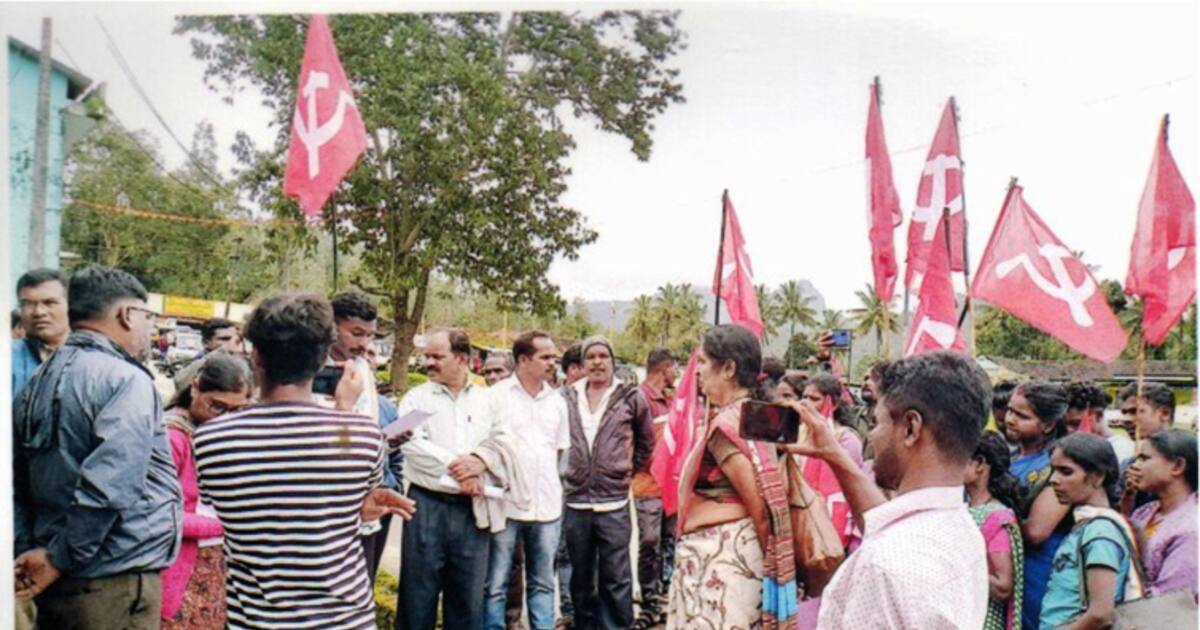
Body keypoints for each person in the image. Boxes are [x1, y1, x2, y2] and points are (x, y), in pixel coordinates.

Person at [193, 293, 414, 629]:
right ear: (324, 355)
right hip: (344, 621)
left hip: (256, 620)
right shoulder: (361, 435)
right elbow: (343, 468)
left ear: (256, 356)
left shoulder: (211, 438)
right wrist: (344, 410)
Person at [13, 265, 182, 629]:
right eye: (147, 316)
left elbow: (17, 483)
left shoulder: (36, 381)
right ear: (127, 314)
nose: (148, 328)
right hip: (112, 582)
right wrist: (58, 557)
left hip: (59, 577)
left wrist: (35, 551)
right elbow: (110, 486)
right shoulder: (125, 380)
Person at [783, 350, 990, 629]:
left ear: (910, 428)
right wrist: (834, 456)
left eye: (876, 423)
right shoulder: (962, 529)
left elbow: (891, 544)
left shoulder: (883, 566)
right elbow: (886, 524)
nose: (872, 436)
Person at [667, 325, 796, 630]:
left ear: (727, 368)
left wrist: (774, 567)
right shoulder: (759, 415)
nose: (696, 371)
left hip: (725, 560)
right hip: (733, 554)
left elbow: (760, 502)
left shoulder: (727, 425)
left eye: (702, 361)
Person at [397, 327, 506, 630]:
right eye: (427, 356)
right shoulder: (416, 399)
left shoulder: (488, 401)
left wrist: (480, 461)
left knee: (468, 601)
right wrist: (458, 467)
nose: (429, 362)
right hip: (425, 507)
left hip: (472, 512)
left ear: (461, 359)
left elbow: (503, 440)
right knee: (416, 599)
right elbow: (406, 442)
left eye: (437, 356)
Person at [561, 336, 654, 630]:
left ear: (613, 362)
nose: (597, 362)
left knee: (616, 577)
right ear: (582, 363)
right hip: (575, 501)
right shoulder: (566, 396)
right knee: (581, 576)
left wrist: (621, 470)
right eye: (591, 357)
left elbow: (646, 442)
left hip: (613, 502)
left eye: (603, 356)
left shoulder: (629, 396)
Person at [483, 331, 570, 630]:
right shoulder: (494, 398)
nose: (552, 363)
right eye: (545, 357)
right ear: (523, 360)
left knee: (543, 582)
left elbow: (560, 452)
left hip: (546, 508)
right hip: (504, 506)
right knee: (496, 582)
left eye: (553, 357)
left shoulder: (557, 402)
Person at [160, 354, 253, 628]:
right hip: (176, 572)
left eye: (236, 411)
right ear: (196, 387)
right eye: (217, 407)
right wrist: (227, 524)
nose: (225, 419)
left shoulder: (212, 436)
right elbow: (161, 517)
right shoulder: (172, 437)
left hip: (210, 572)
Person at [1039, 433, 1145, 630]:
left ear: (1097, 477)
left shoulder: (1100, 532)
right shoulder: (1086, 526)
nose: (1053, 480)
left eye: (1065, 471)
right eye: (1053, 470)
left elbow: (1100, 614)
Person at [326, 292, 390, 583]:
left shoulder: (363, 366)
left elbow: (367, 421)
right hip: (328, 497)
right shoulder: (312, 368)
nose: (364, 343)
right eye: (356, 333)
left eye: (369, 335)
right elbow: (336, 438)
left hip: (365, 496)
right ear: (331, 326)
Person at [1005, 381, 1073, 629]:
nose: (1011, 419)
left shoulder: (1056, 465)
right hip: (1006, 568)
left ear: (1048, 425)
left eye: (1022, 416)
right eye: (1010, 411)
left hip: (1038, 572)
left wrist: (992, 522)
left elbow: (1037, 531)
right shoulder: (1009, 458)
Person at [631, 348, 678, 628]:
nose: (676, 373)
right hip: (646, 485)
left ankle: (663, 594)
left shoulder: (672, 402)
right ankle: (649, 598)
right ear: (664, 369)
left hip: (669, 488)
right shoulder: (640, 400)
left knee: (668, 542)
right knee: (649, 542)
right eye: (675, 368)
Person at [965, 430, 1025, 630]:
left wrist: (958, 568)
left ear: (980, 464)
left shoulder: (995, 518)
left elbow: (1002, 585)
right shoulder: (966, 509)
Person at [1128, 429, 1197, 599]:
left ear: (1177, 466)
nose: (1135, 466)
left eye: (1145, 458)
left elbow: (1172, 598)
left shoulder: (1192, 528)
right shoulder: (1145, 512)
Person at [555, 342, 586, 629]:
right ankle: (569, 611)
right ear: (574, 369)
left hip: (590, 490)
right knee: (563, 552)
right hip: (560, 487)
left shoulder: (592, 399)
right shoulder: (556, 401)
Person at [12, 268, 70, 394]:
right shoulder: (8, 357)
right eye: (27, 304)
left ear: (70, 305)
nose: (38, 312)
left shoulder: (94, 357)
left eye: (49, 303)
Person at [1065, 381, 1134, 463]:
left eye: (1076, 423)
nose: (1068, 430)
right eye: (1063, 424)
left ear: (1098, 416)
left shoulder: (1122, 452)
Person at [172, 317, 245, 391]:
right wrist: (222, 351)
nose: (231, 343)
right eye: (225, 339)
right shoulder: (200, 361)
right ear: (206, 342)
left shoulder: (236, 361)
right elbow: (180, 382)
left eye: (234, 339)